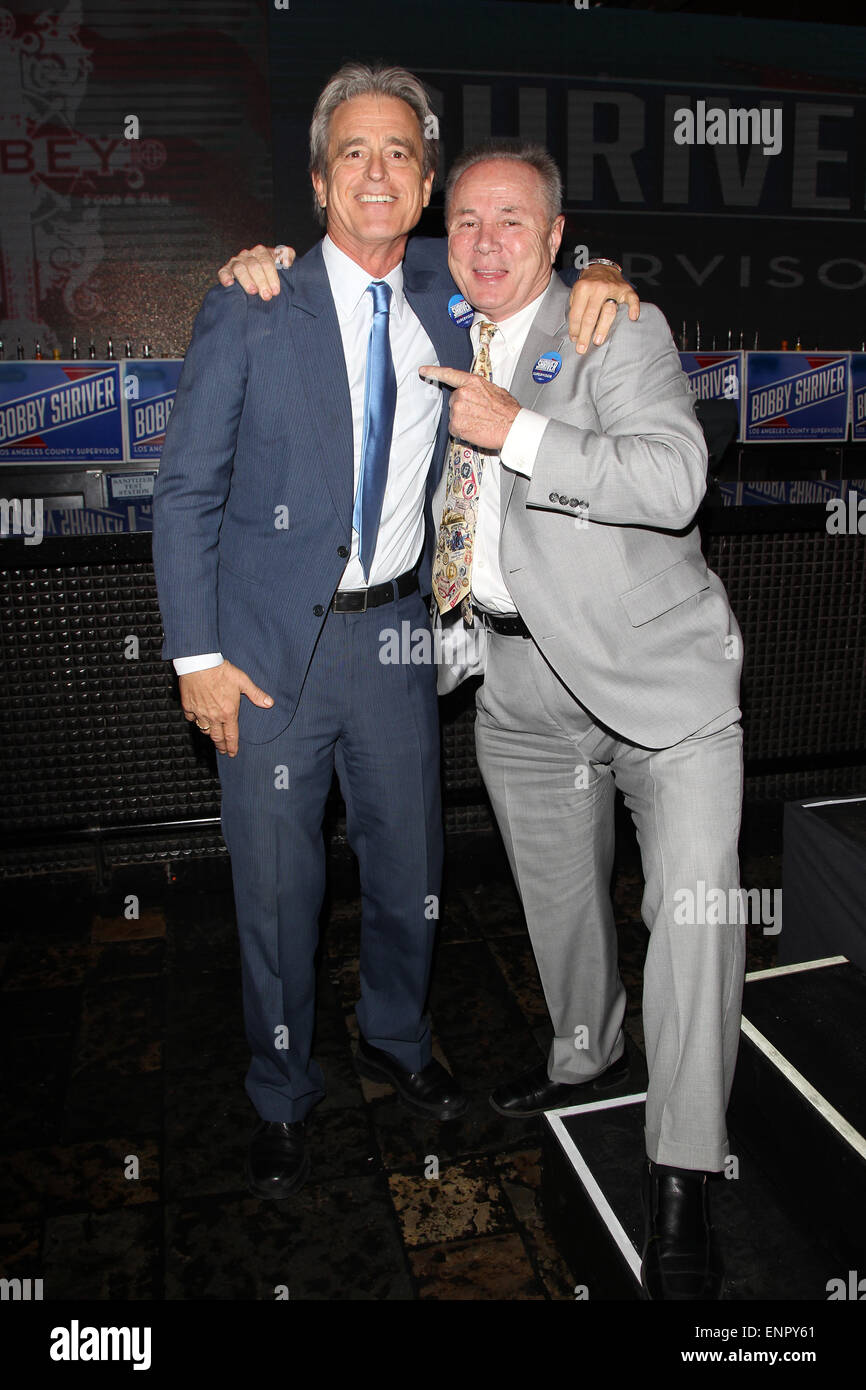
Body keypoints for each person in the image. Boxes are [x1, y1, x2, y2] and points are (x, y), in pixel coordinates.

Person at [152, 65, 636, 1202]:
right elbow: (183, 497)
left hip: (397, 646)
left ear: (422, 188)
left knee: (409, 868)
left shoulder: (443, 285)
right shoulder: (252, 301)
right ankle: (279, 1088)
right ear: (319, 180)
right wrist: (194, 659)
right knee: (275, 892)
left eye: (400, 156)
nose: (377, 173)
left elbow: (534, 265)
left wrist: (600, 270)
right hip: (265, 656)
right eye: (353, 154)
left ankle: (397, 1039)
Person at [418, 141, 745, 1302]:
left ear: (558, 240)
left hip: (664, 691)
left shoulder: (617, 326)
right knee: (557, 910)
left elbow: (671, 483)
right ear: (439, 236)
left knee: (692, 916)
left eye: (515, 221)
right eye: (465, 222)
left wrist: (519, 431)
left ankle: (682, 1166)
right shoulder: (432, 327)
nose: (488, 242)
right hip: (518, 690)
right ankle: (582, 1053)